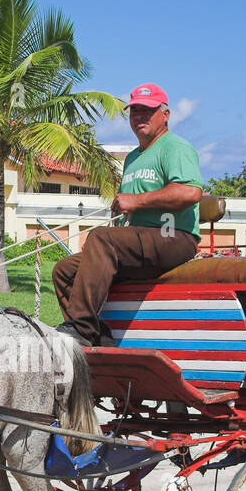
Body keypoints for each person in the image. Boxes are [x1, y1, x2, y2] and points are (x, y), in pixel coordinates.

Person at [53, 83, 203, 347]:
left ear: (165, 115)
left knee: (102, 239)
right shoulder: (133, 157)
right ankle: (100, 343)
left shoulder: (175, 147)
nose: (140, 117)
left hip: (172, 236)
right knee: (64, 270)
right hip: (139, 242)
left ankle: (80, 328)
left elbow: (190, 193)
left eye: (148, 110)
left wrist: (136, 200)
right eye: (135, 111)